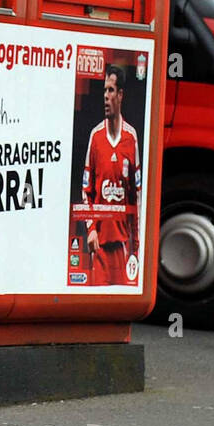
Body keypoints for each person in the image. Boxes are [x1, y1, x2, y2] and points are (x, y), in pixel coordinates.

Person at [82, 63, 142, 285]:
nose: (106, 97)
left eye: (110, 90)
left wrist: (136, 246)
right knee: (96, 308)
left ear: (120, 94)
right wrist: (90, 229)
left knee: (122, 307)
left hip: (123, 247)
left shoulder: (131, 138)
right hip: (99, 247)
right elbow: (85, 190)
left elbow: (137, 196)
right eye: (104, 91)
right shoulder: (95, 137)